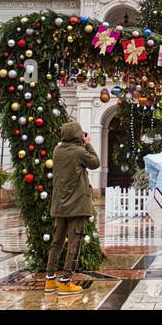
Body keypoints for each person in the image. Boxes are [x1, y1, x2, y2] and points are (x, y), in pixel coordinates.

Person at [44, 123, 100, 295]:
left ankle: (50, 280)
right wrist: (87, 143)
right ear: (77, 135)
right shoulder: (80, 152)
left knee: (57, 242)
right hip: (76, 205)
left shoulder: (57, 151)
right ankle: (66, 281)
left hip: (60, 205)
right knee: (74, 243)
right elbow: (95, 163)